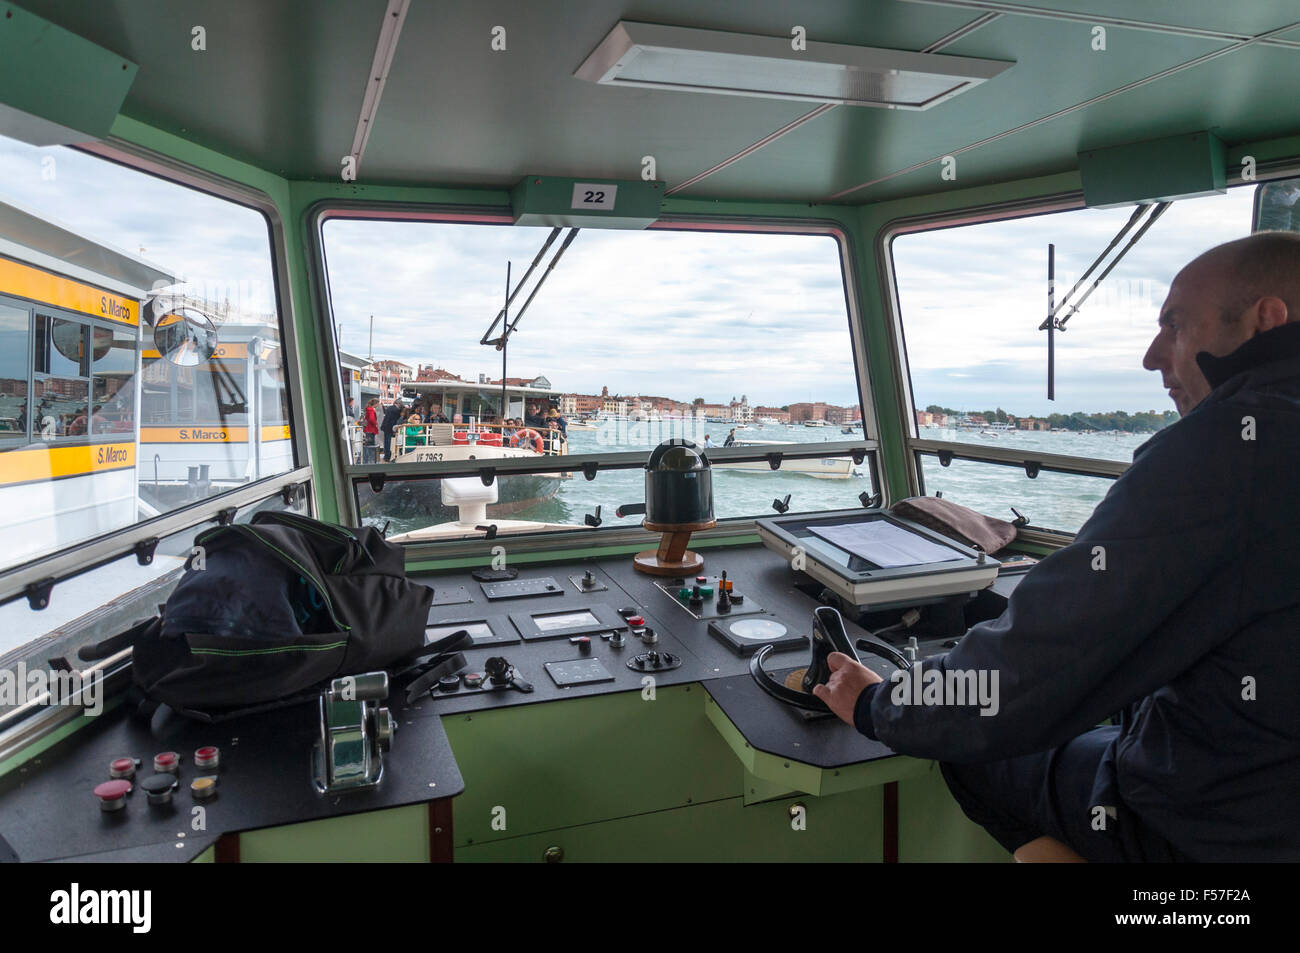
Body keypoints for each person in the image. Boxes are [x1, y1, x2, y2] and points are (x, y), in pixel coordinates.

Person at [815, 232, 1300, 862]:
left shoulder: (1227, 452)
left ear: (1267, 320)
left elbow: (1022, 678)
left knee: (975, 753)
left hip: (1215, 831)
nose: (1153, 357)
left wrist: (880, 704)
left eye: (1175, 326)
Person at [362, 398, 379, 464]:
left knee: (367, 445)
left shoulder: (368, 409)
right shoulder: (371, 410)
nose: (378, 405)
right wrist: (376, 424)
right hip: (371, 429)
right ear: (375, 403)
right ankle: (370, 461)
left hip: (367, 429)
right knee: (370, 445)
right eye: (378, 403)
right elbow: (372, 419)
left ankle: (366, 460)